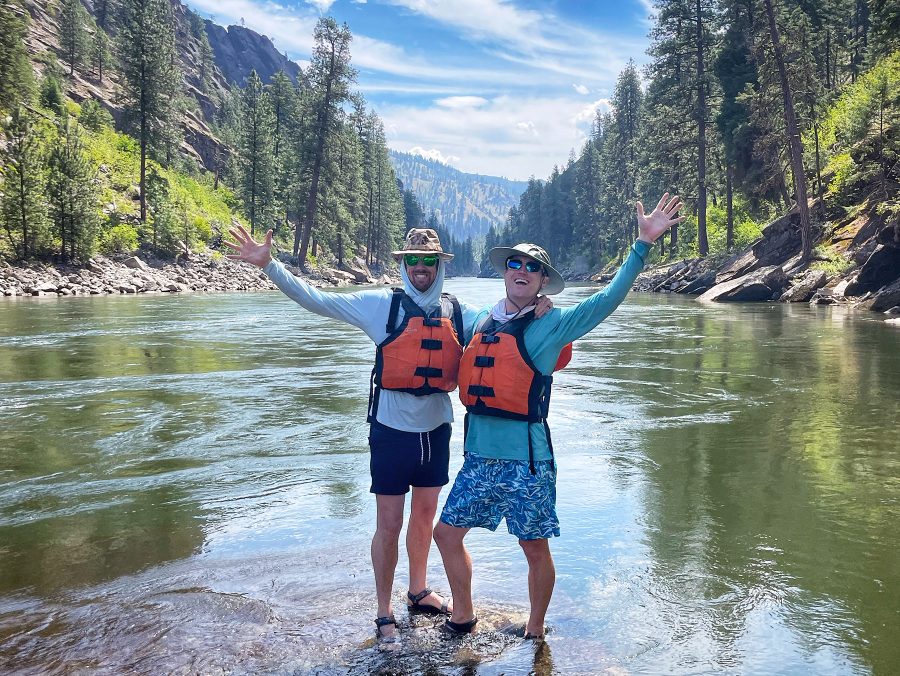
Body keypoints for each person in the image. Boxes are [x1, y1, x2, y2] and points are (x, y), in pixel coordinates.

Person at [224, 226, 552, 642]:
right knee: (389, 524)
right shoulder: (379, 305)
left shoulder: (462, 313)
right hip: (391, 431)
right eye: (412, 260)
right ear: (402, 264)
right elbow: (317, 300)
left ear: (439, 266)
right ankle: (383, 611)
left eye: (429, 261)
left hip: (435, 431)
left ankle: (418, 591)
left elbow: (504, 321)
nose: (420, 267)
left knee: (425, 518)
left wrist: (537, 308)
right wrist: (270, 265)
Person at [433, 193, 685, 640]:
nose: (522, 271)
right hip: (478, 459)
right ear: (504, 271)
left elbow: (606, 301)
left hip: (528, 462)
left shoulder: (554, 324)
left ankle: (535, 628)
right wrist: (420, 275)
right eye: (515, 264)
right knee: (446, 536)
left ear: (543, 282)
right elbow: (440, 303)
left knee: (534, 547)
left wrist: (642, 244)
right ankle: (463, 614)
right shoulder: (478, 321)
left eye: (533, 268)